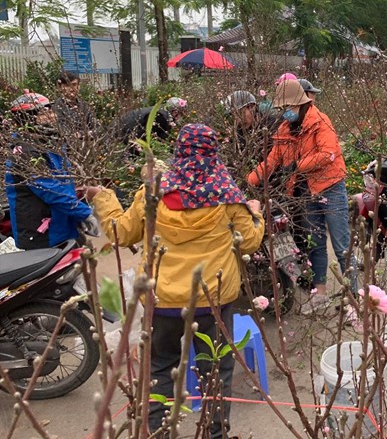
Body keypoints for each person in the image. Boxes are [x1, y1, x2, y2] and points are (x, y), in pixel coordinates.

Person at [86, 123, 263, 439]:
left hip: (162, 299)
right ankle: (215, 434)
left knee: (160, 370)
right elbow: (248, 243)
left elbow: (120, 233)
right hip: (213, 299)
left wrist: (104, 198)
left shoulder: (152, 192)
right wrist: (256, 213)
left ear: (179, 152)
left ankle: (158, 432)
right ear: (213, 154)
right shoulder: (228, 195)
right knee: (216, 374)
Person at [247, 80, 358, 317]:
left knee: (341, 245)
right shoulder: (285, 130)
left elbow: (328, 153)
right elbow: (272, 160)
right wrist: (250, 180)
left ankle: (354, 299)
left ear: (301, 104)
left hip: (330, 187)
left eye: (289, 106)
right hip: (305, 191)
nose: (285, 111)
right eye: (282, 107)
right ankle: (320, 294)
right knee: (315, 243)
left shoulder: (320, 122)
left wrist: (298, 166)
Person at [4, 92, 98, 250]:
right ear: (28, 119)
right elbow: (51, 191)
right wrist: (83, 213)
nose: (52, 115)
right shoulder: (25, 153)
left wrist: (76, 213)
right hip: (42, 235)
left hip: (61, 228)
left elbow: (63, 182)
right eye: (44, 112)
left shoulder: (48, 141)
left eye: (50, 110)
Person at [117, 97, 187, 146]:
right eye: (181, 113)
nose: (182, 116)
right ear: (175, 112)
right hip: (124, 130)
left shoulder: (161, 110)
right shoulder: (161, 117)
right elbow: (157, 137)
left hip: (122, 126)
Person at [52, 70, 97, 135]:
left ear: (79, 86)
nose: (72, 88)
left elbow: (97, 127)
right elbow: (64, 130)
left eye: (74, 85)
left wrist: (82, 134)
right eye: (67, 85)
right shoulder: (56, 107)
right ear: (60, 87)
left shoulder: (84, 105)